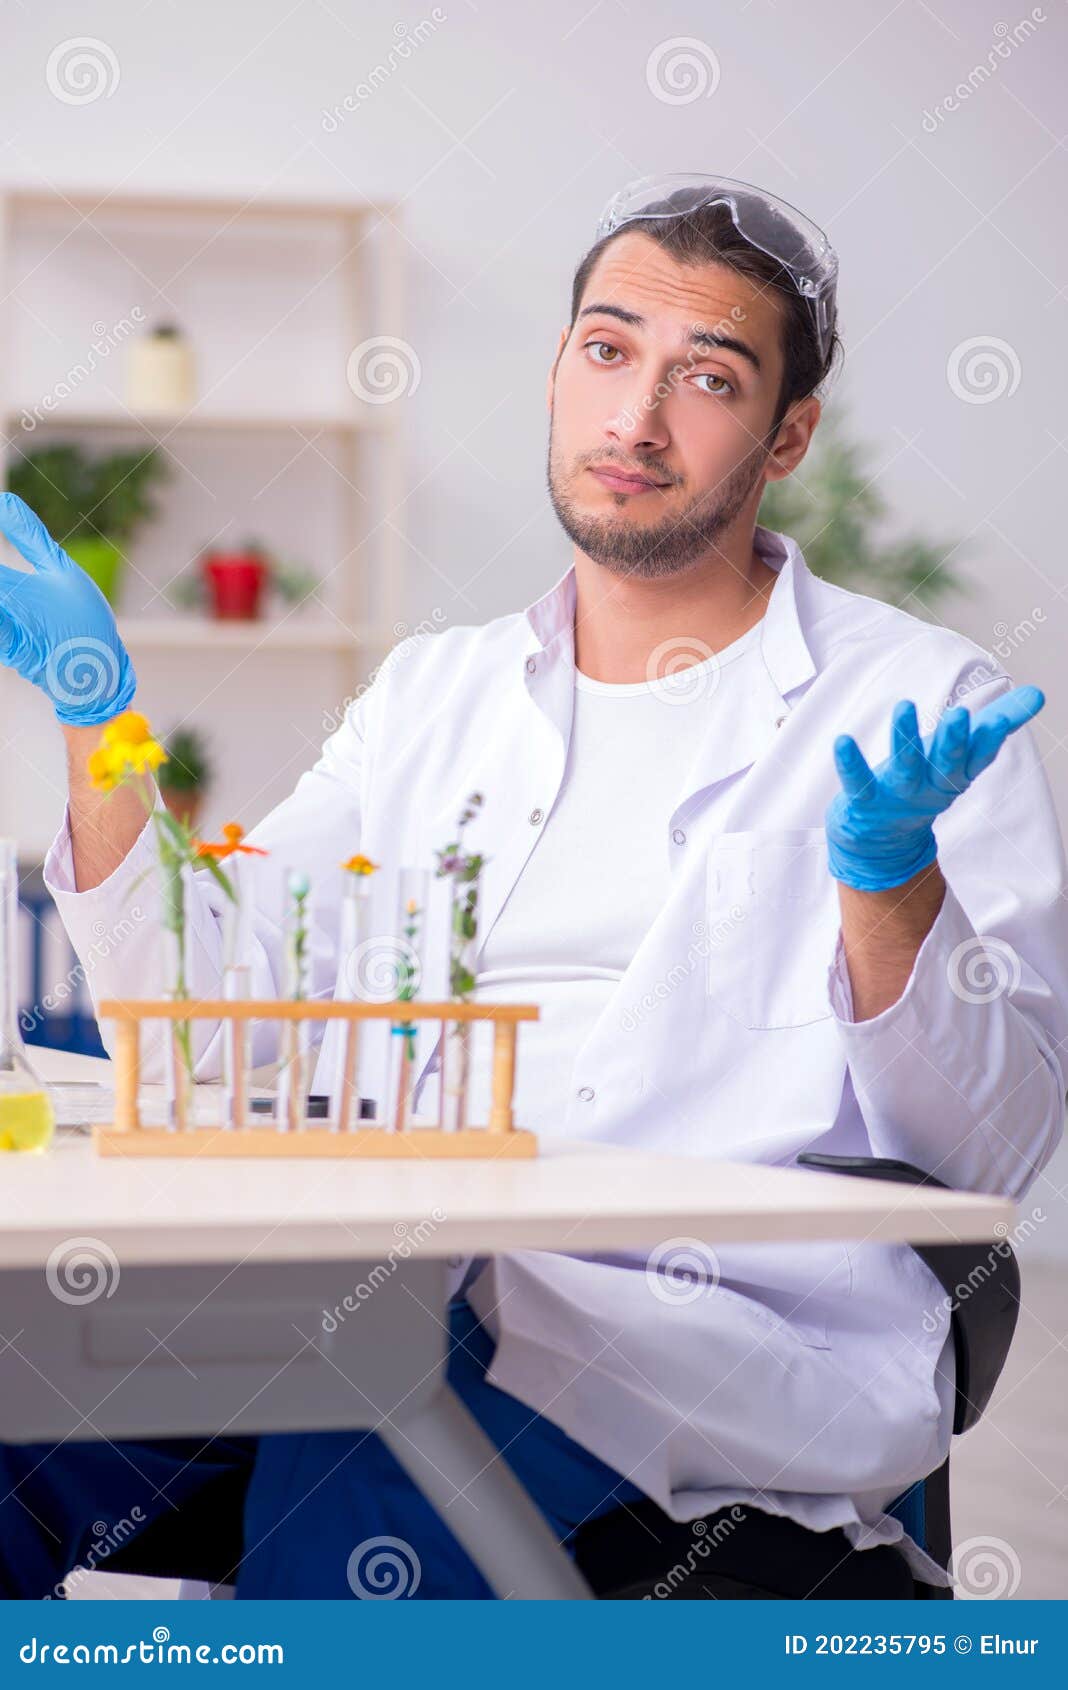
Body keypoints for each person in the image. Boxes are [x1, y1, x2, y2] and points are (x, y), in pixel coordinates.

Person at [0, 174, 1064, 1600]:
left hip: (709, 1329)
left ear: (788, 433)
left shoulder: (915, 703)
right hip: (385, 1278)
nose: (636, 417)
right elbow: (215, 1010)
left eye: (710, 376)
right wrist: (97, 722)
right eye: (609, 350)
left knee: (361, 1494)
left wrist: (888, 885)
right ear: (561, 371)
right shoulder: (432, 692)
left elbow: (993, 1146)